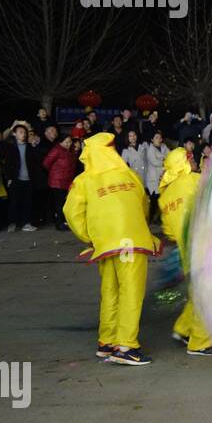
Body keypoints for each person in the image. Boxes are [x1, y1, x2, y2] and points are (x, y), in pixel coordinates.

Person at [64, 133, 162, 365]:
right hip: (131, 241)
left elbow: (71, 213)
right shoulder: (128, 175)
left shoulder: (84, 181)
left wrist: (90, 237)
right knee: (130, 291)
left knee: (110, 291)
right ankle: (126, 346)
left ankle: (107, 342)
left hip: (105, 245)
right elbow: (143, 204)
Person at [157, 148, 212, 356]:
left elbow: (169, 232)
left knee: (197, 291)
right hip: (206, 246)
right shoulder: (195, 180)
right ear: (183, 162)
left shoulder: (164, 197)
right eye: (190, 158)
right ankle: (200, 342)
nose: (194, 161)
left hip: (186, 251)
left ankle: (183, 329)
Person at [2, 122, 38, 232]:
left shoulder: (30, 147)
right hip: (15, 179)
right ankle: (12, 223)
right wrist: (9, 178)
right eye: (20, 132)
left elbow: (34, 164)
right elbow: (7, 164)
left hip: (28, 179)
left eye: (24, 132)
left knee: (27, 202)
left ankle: (26, 223)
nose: (23, 134)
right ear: (15, 134)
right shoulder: (10, 147)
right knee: (14, 202)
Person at [42, 133, 77, 230]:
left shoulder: (70, 151)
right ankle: (59, 223)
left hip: (67, 181)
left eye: (70, 142)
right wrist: (55, 173)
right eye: (66, 142)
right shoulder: (56, 150)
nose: (68, 144)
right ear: (60, 142)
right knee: (59, 204)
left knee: (65, 203)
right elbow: (46, 163)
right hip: (57, 182)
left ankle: (65, 222)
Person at [142, 130, 169, 222]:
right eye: (156, 138)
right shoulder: (150, 150)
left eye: (160, 138)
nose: (159, 139)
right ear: (152, 140)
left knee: (161, 198)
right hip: (153, 178)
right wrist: (165, 160)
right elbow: (155, 162)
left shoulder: (164, 147)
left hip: (163, 176)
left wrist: (164, 160)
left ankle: (159, 218)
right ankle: (150, 218)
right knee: (154, 199)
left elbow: (170, 157)